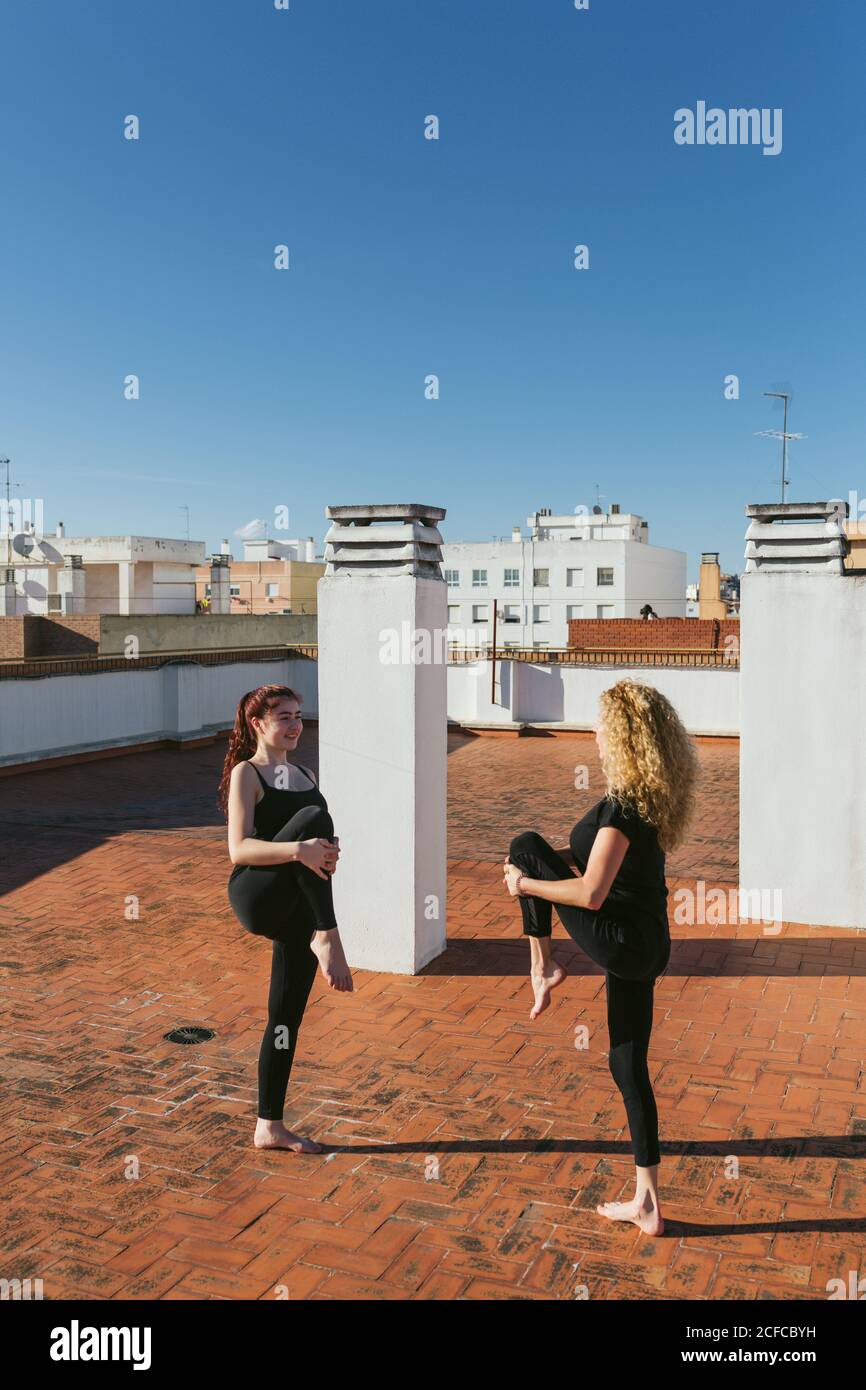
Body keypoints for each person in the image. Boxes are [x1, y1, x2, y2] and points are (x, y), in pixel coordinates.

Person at [502, 678, 698, 1236]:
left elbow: (590, 892)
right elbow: (597, 863)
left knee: (522, 842)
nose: (593, 730)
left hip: (620, 937)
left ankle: (542, 966)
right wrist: (542, 870)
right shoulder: (644, 800)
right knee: (626, 1064)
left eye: (600, 723)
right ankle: (649, 1202)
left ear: (621, 736)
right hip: (645, 944)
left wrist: (527, 886)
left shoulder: (621, 807)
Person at [218, 683, 353, 1153]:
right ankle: (329, 935)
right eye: (284, 717)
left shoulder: (307, 773)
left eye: (299, 716)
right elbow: (239, 848)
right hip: (256, 893)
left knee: (284, 1020)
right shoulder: (247, 774)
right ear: (258, 723)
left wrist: (327, 854)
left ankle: (269, 1125)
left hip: (298, 903)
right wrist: (301, 848)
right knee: (314, 818)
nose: (295, 724)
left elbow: (318, 846)